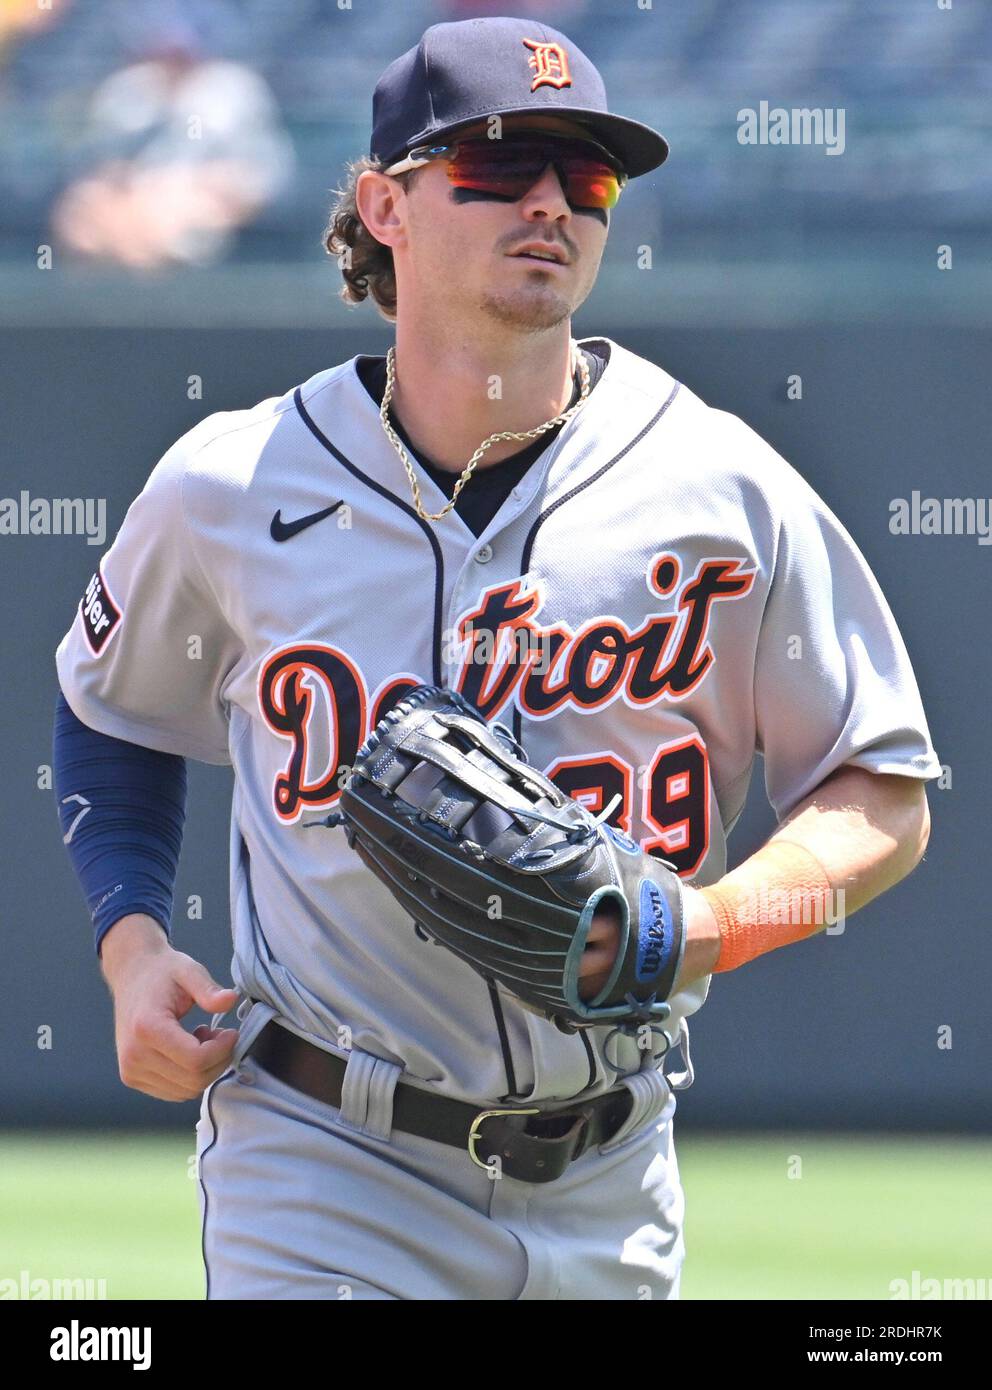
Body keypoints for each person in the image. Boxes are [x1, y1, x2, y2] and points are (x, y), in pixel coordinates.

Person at [53, 17, 938, 1300]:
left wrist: (710, 923)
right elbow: (111, 711)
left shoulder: (718, 483)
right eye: (494, 164)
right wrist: (130, 946)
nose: (548, 203)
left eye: (585, 177)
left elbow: (883, 792)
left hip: (612, 1171)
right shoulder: (228, 486)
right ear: (383, 206)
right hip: (321, 1159)